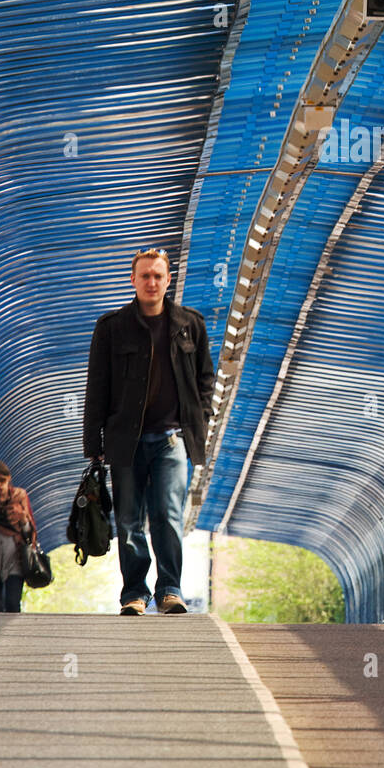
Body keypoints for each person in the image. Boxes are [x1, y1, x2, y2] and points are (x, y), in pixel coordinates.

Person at [81, 247, 215, 615]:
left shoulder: (191, 324)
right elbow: (98, 385)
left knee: (168, 516)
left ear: (168, 280)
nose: (152, 282)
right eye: (145, 276)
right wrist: (93, 441)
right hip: (127, 441)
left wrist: (201, 418)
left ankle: (170, 590)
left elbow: (206, 378)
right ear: (133, 280)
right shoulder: (112, 328)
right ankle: (135, 594)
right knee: (128, 519)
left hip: (172, 440)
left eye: (158, 275)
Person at [0, 461, 37, 612]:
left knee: (12, 603)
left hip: (15, 558)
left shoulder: (19, 496)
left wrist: (23, 517)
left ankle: (12, 635)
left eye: (2, 480)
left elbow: (29, 530)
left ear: (9, 478)